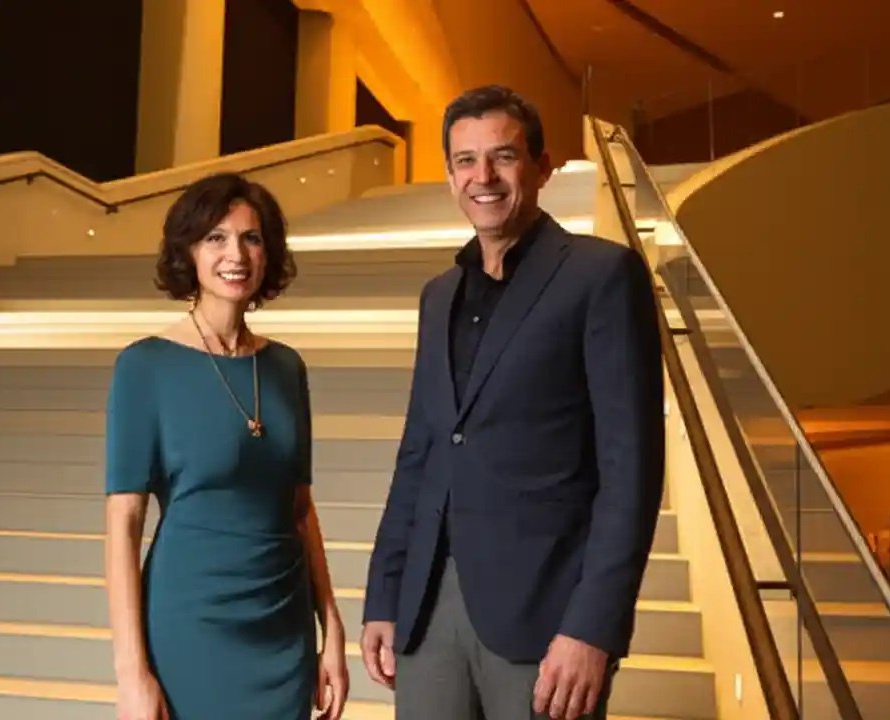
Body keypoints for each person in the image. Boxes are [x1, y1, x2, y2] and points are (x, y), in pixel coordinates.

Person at [360, 86, 665, 720]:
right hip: (427, 611)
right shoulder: (438, 295)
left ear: (542, 166)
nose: (483, 177)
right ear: (449, 176)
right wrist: (385, 595)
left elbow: (631, 470)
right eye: (466, 161)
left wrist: (594, 628)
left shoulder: (601, 275)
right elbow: (420, 452)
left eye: (503, 156)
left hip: (546, 616)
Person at [103, 172, 348, 720]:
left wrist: (330, 629)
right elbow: (124, 523)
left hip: (282, 626)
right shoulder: (145, 366)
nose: (235, 254)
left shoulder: (286, 368)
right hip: (191, 624)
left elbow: (301, 510)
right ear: (187, 251)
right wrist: (131, 673)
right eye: (215, 237)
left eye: (251, 238)